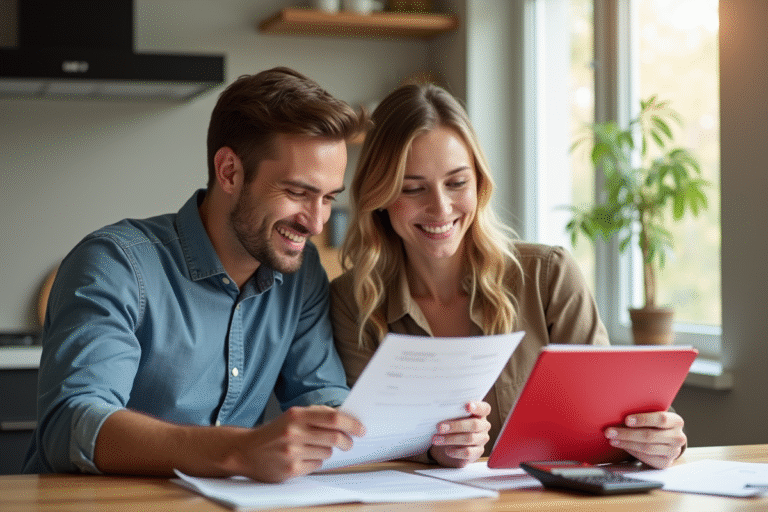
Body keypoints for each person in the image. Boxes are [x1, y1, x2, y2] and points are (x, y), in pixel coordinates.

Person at [23, 67, 367, 483]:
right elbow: (71, 425)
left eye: (328, 198)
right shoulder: (115, 263)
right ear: (229, 172)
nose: (316, 222)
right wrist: (236, 451)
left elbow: (322, 399)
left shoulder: (300, 270)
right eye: (297, 193)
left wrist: (420, 439)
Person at [330, 83, 687, 470]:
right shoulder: (353, 301)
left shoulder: (548, 276)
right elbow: (365, 440)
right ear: (379, 196)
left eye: (457, 183)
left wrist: (656, 439)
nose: (441, 208)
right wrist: (431, 451)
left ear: (479, 182)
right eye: (413, 188)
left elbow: (612, 415)